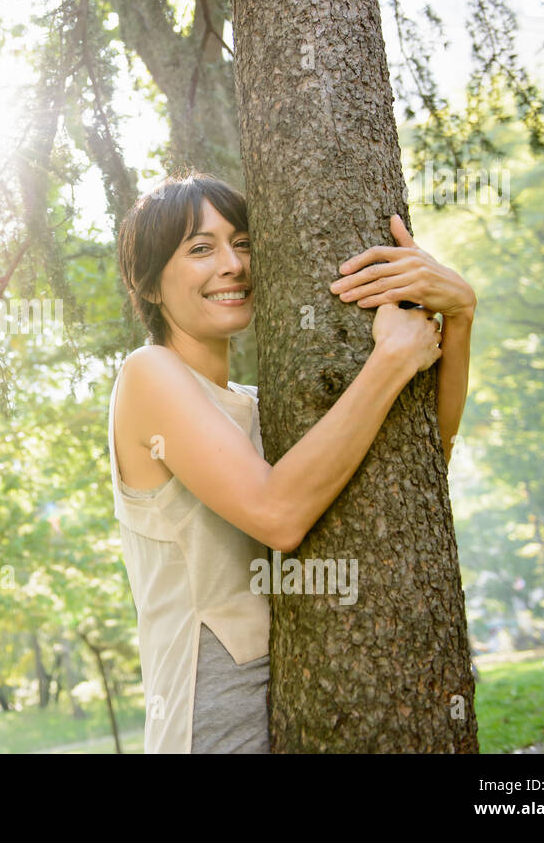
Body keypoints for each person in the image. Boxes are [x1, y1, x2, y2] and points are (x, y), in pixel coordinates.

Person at [108, 173, 477, 753]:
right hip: (217, 715)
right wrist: (389, 361)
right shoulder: (148, 373)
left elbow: (428, 456)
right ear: (150, 284)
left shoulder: (259, 406)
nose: (233, 264)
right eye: (200, 248)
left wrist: (459, 316)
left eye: (244, 243)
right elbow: (277, 514)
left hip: (309, 693)